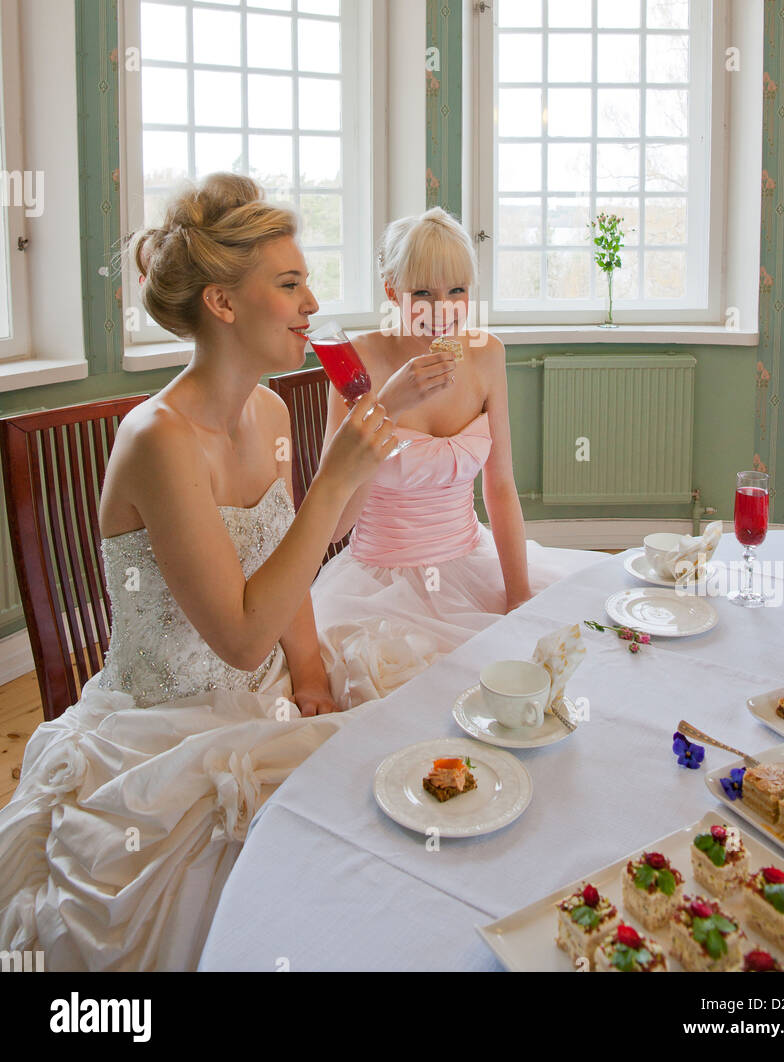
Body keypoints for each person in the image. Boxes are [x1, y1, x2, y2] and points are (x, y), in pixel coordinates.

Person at [0, 173, 407, 971]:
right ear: (223, 303)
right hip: (158, 736)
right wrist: (336, 479)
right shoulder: (159, 441)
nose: (312, 303)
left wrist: (314, 674)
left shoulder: (271, 412)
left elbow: (280, 566)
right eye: (289, 285)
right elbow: (240, 637)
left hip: (261, 702)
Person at [312, 207, 600, 707]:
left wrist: (516, 594)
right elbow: (333, 527)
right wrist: (381, 410)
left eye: (457, 292)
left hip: (472, 562)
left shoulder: (487, 354)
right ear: (390, 291)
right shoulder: (355, 364)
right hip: (377, 581)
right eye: (421, 293)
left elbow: (501, 487)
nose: (441, 310)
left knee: (545, 680)